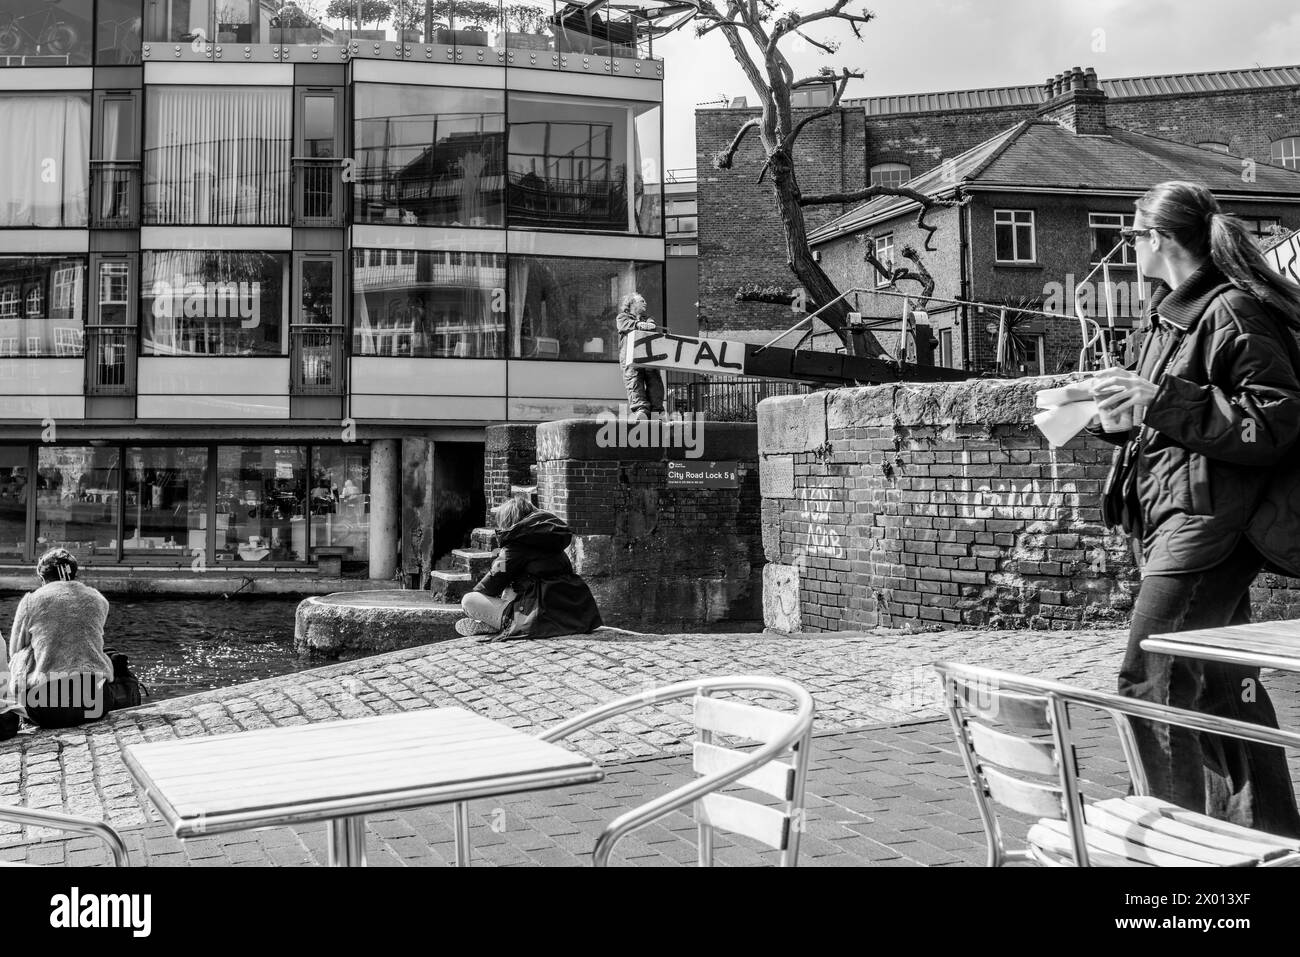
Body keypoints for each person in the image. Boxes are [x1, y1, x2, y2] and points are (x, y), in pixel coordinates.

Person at [1085, 180, 1300, 837]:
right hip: (1183, 510)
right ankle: (1270, 831)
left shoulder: (1230, 310)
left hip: (1210, 523)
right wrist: (1116, 415)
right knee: (1216, 681)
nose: (1132, 251)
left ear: (1161, 240)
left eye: (1135, 238)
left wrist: (1159, 400)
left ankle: (1167, 839)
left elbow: (1278, 419)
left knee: (1149, 679)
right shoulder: (1171, 312)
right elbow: (1168, 413)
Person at [457, 495, 603, 641]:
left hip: (539, 616)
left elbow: (495, 577)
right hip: (571, 612)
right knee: (512, 586)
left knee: (469, 601)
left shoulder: (515, 546)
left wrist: (482, 594)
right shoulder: (552, 539)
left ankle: (498, 624)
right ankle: (495, 622)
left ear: (507, 521)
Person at [7, 548, 114, 729]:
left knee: (23, 654)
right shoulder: (98, 599)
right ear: (74, 573)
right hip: (97, 702)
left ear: (42, 578)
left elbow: (15, 651)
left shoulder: (31, 601)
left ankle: (13, 716)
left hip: (49, 708)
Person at [615, 292, 665, 418]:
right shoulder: (622, 317)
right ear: (632, 303)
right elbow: (623, 325)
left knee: (655, 381)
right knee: (634, 381)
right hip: (629, 357)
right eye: (642, 301)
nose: (645, 303)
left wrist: (649, 325)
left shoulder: (648, 319)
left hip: (648, 356)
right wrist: (637, 324)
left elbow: (652, 325)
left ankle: (657, 411)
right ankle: (641, 410)